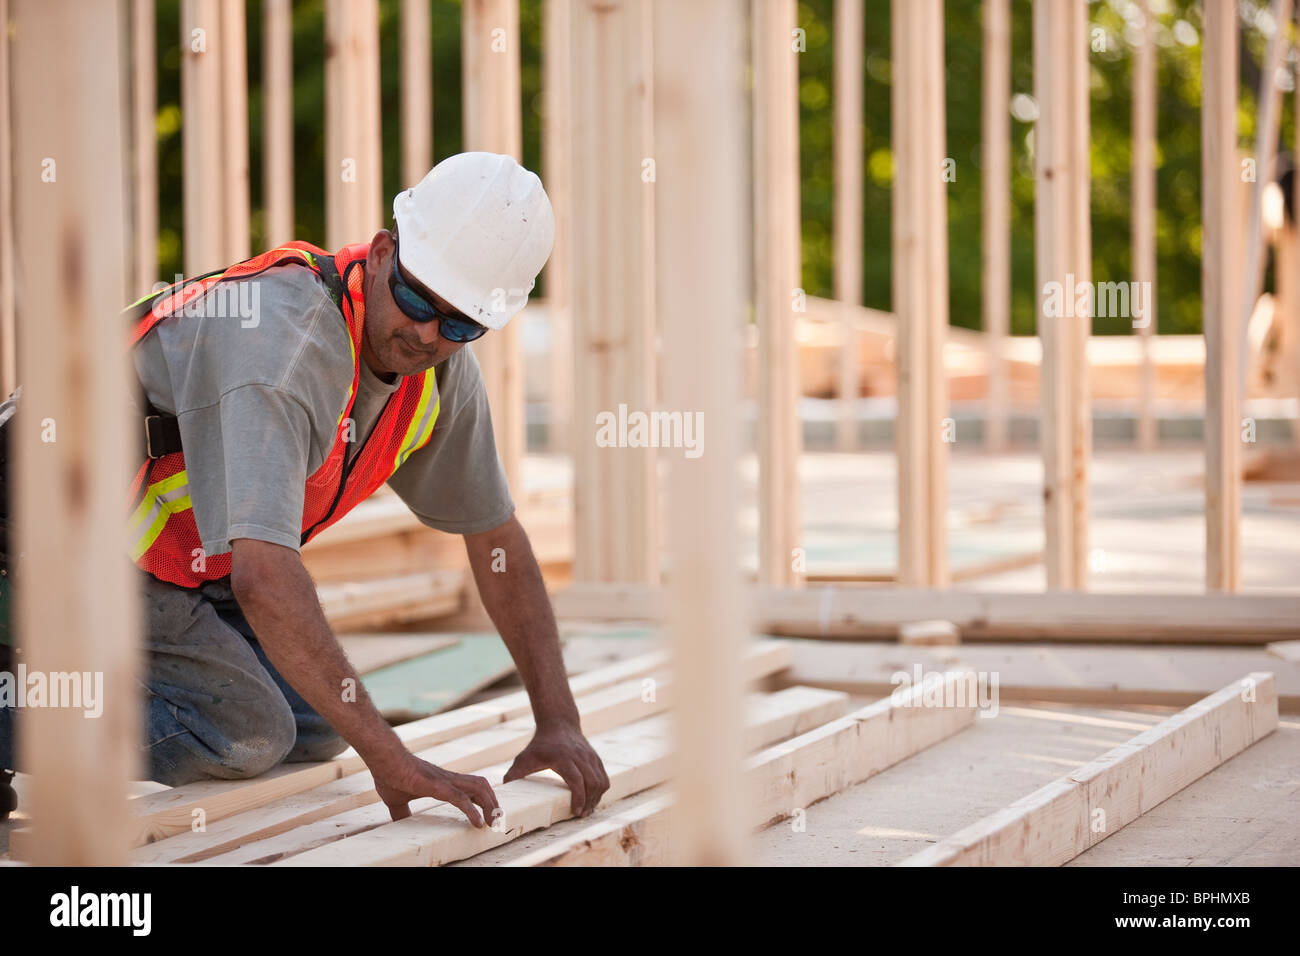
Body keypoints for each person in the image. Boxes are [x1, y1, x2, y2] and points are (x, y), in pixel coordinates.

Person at [0, 151, 608, 828]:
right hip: (50, 524)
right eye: (416, 298)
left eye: (461, 324)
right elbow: (265, 579)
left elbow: (495, 538)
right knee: (245, 733)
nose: (428, 333)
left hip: (175, 556)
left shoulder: (437, 374)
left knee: (320, 723)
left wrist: (559, 722)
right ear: (382, 253)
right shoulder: (286, 348)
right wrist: (394, 760)